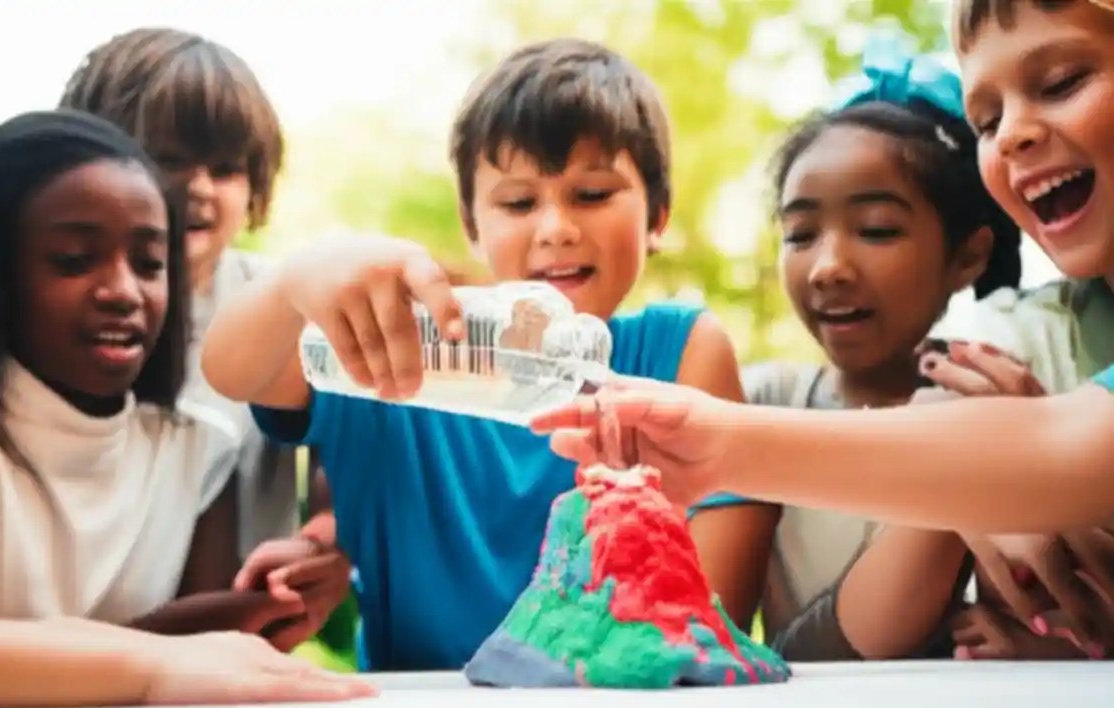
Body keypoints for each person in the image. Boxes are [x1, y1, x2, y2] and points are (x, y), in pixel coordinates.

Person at [530, 0, 1114, 657]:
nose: (832, 265)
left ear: (968, 254)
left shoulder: (1009, 360)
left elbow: (1066, 444)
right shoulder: (1008, 350)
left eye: (1062, 82)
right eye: (987, 120)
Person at [0, 0, 373, 708]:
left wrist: (307, 560)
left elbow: (356, 440)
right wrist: (152, 664)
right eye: (73, 257)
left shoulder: (196, 439)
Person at [202, 38, 778, 670]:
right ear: (473, 223)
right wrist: (295, 280)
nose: (555, 227)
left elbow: (705, 621)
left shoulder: (685, 349)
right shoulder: (395, 353)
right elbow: (231, 370)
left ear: (658, 216)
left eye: (591, 194)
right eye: (518, 202)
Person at [0, 108, 305, 638]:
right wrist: (174, 639)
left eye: (150, 264)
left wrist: (258, 610)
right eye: (74, 259)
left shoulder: (198, 449)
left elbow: (205, 665)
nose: (124, 293)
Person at [59, 28, 348, 650]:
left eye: (226, 169)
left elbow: (346, 451)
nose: (198, 187)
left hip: (237, 647)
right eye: (167, 158)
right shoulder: (50, 311)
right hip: (68, 645)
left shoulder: (286, 304)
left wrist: (323, 540)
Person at [738, 33, 1020, 661]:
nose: (828, 268)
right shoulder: (757, 402)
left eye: (876, 230)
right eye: (801, 233)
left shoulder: (1008, 398)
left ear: (968, 255)